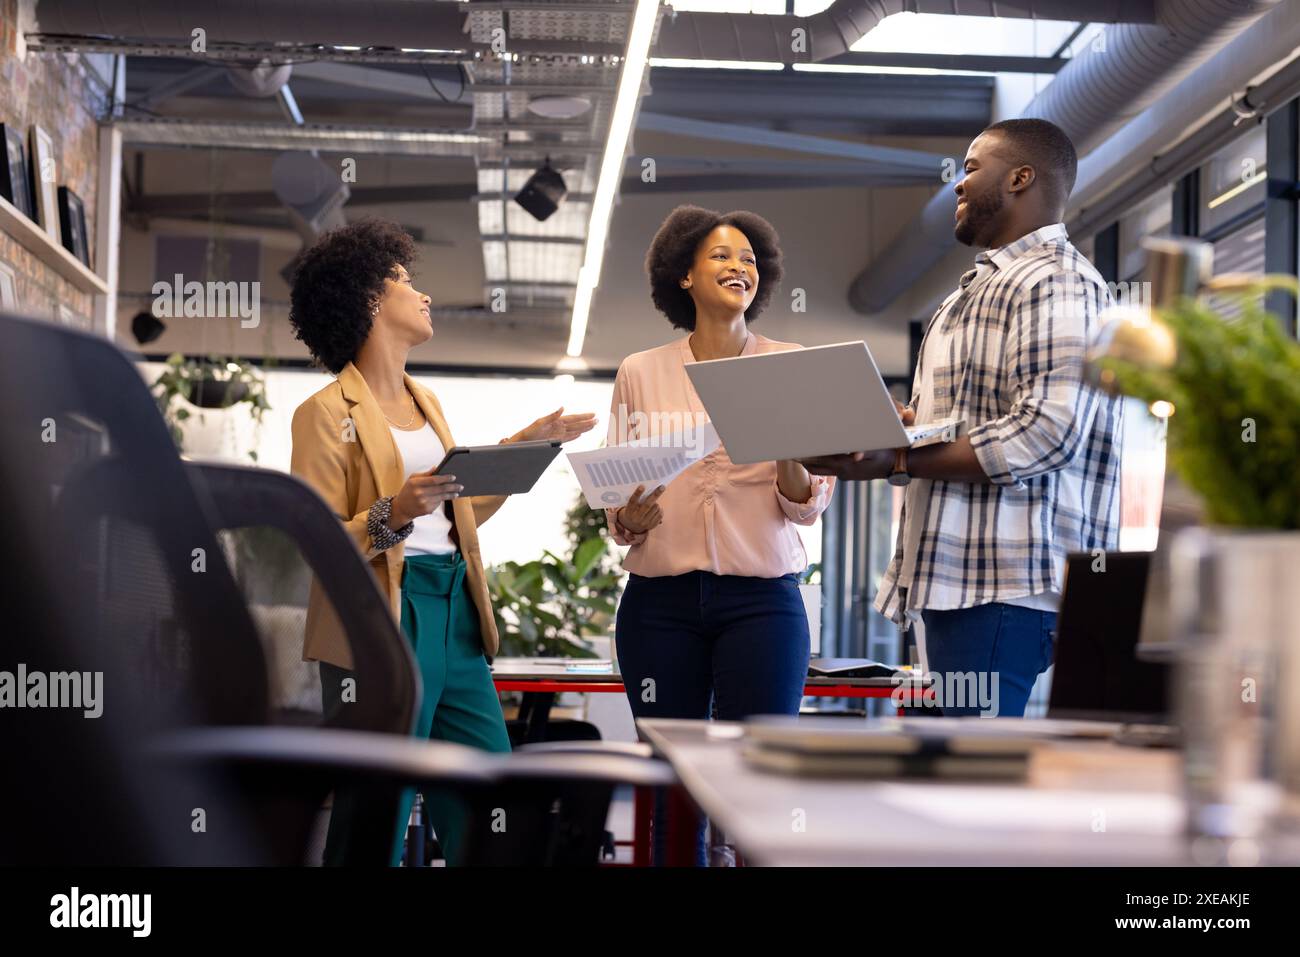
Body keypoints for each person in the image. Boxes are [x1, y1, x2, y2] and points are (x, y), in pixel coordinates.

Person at [287, 217, 595, 864]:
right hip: (381, 621)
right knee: (377, 808)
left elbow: (454, 513)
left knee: (490, 803)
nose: (423, 295)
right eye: (405, 281)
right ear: (370, 299)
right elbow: (313, 539)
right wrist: (390, 512)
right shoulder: (323, 413)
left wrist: (525, 447)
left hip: (456, 615)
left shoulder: (427, 400)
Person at [804, 119, 1122, 718]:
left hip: (1006, 583)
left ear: (1021, 178)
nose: (958, 184)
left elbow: (1046, 434)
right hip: (966, 582)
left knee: (977, 790)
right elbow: (966, 423)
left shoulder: (1057, 280)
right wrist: (896, 427)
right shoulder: (974, 291)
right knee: (964, 779)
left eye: (973, 167)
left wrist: (896, 456)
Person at [609, 205, 834, 864]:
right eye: (722, 256)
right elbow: (617, 508)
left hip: (762, 604)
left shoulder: (791, 365)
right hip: (659, 607)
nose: (741, 267)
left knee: (758, 788)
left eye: (750, 259)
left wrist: (789, 447)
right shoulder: (640, 371)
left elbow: (805, 506)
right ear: (683, 274)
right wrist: (628, 518)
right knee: (671, 790)